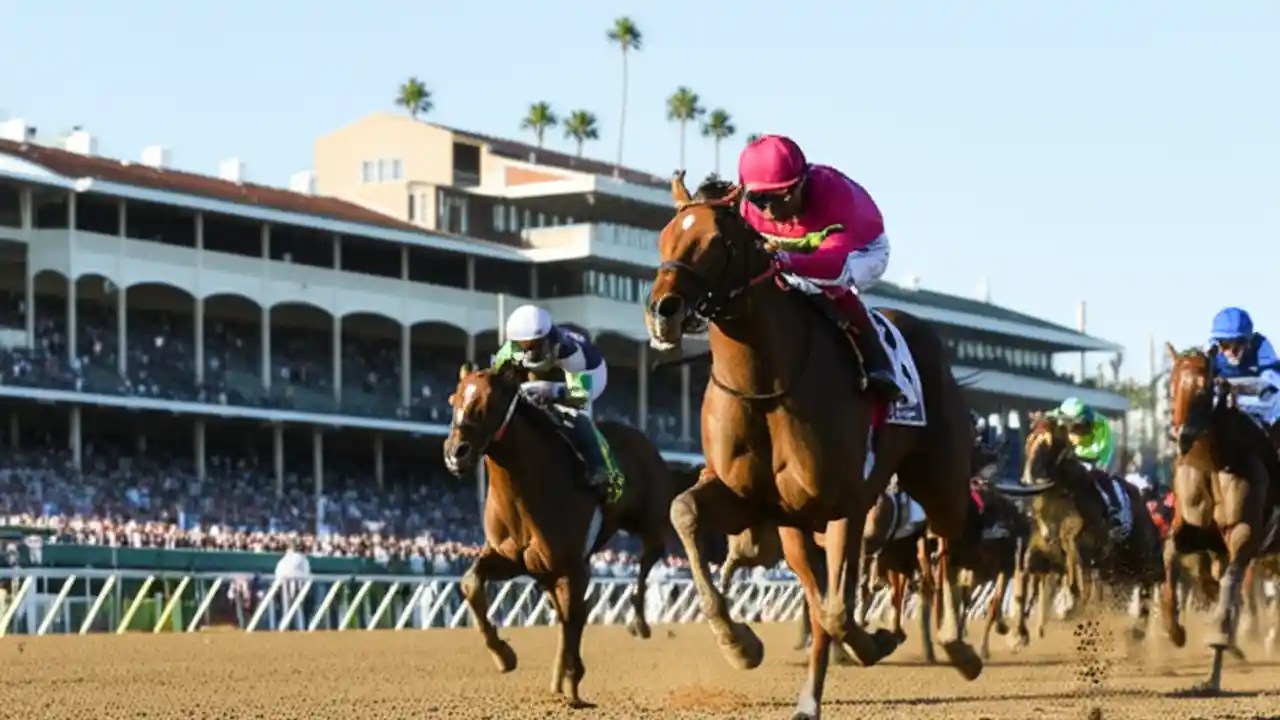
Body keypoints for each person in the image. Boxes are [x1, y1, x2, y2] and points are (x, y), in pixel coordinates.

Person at [737, 134, 900, 402]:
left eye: (778, 197)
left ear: (801, 182)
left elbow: (833, 264)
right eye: (758, 199)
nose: (767, 211)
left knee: (821, 283)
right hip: (794, 253)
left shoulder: (834, 197)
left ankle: (878, 359)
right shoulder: (748, 208)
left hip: (859, 253)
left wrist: (787, 261)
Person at [492, 304, 622, 502]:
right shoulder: (510, 350)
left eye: (532, 348)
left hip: (590, 375)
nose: (525, 354)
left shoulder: (569, 351)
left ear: (545, 339)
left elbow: (578, 395)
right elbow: (494, 378)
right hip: (555, 370)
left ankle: (599, 468)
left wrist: (551, 390)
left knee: (574, 416)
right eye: (520, 347)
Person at [1049, 397, 1129, 541]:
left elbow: (1095, 453)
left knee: (1099, 475)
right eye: (1067, 425)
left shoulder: (1100, 427)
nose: (1071, 431)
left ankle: (1114, 509)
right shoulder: (1061, 414)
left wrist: (1076, 454)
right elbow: (1050, 417)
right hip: (1076, 451)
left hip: (1099, 454)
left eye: (1075, 426)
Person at [1208, 307, 1280, 435]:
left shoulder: (1261, 346)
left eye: (1239, 343)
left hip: (1257, 405)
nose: (1232, 351)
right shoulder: (1211, 354)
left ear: (1249, 342)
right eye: (1225, 346)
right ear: (1218, 345)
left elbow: (1272, 384)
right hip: (1221, 404)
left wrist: (1235, 388)